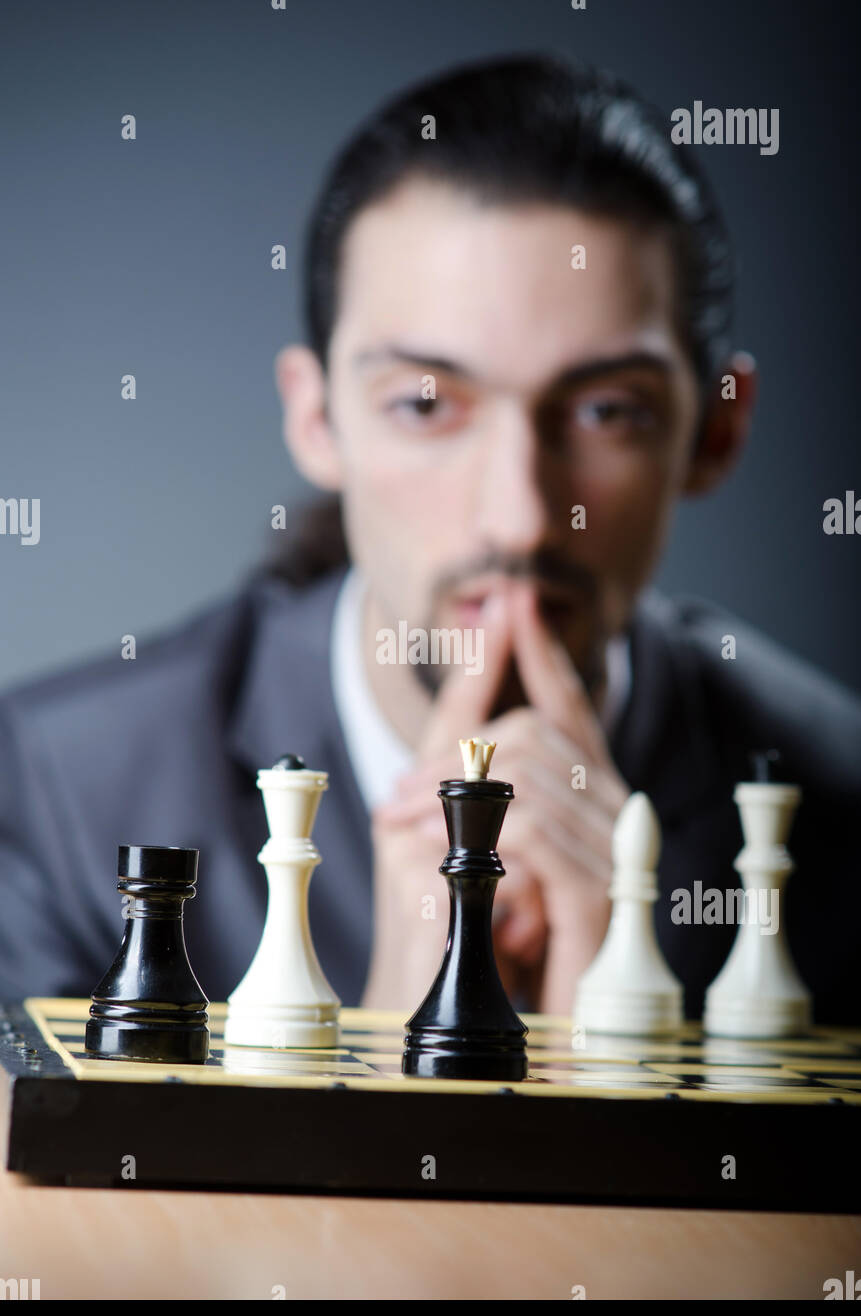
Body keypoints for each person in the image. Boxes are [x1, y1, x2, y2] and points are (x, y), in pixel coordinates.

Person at [0, 56, 858, 1022]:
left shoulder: (840, 796)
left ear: (715, 432)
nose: (519, 518)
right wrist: (385, 1063)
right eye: (424, 403)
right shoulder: (63, 786)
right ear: (316, 417)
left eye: (607, 411)